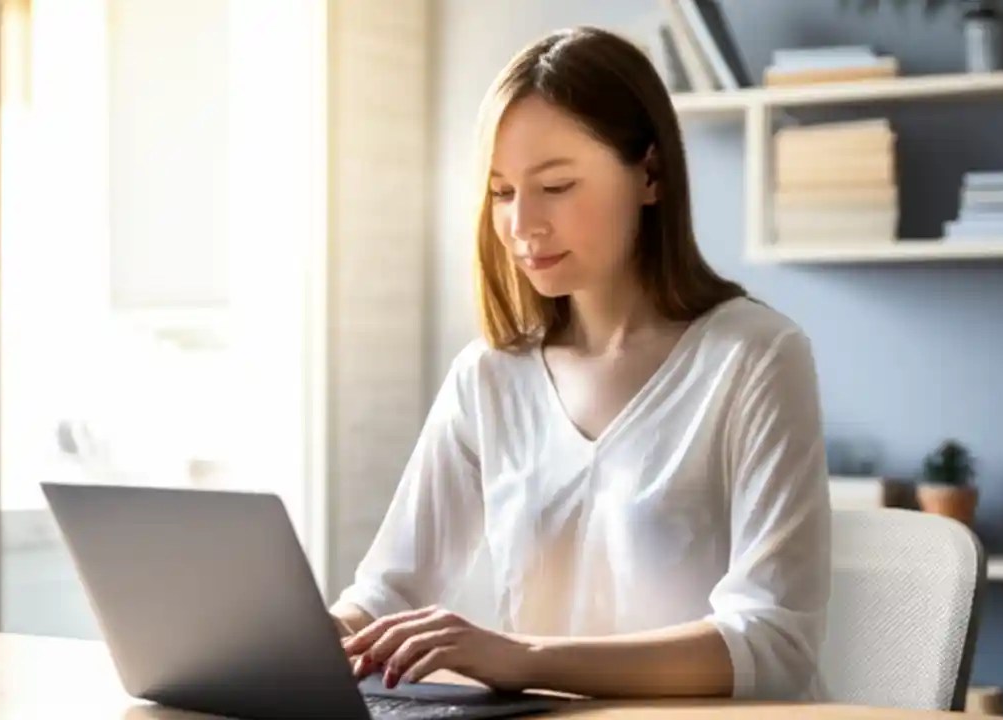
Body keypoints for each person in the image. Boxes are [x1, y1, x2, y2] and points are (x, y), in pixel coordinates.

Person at [331, 26, 830, 702]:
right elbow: (390, 590)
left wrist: (522, 657)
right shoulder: (488, 379)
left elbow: (772, 644)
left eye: (556, 185)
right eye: (502, 192)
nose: (522, 224)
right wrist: (311, 641)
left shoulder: (755, 358)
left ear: (649, 175)